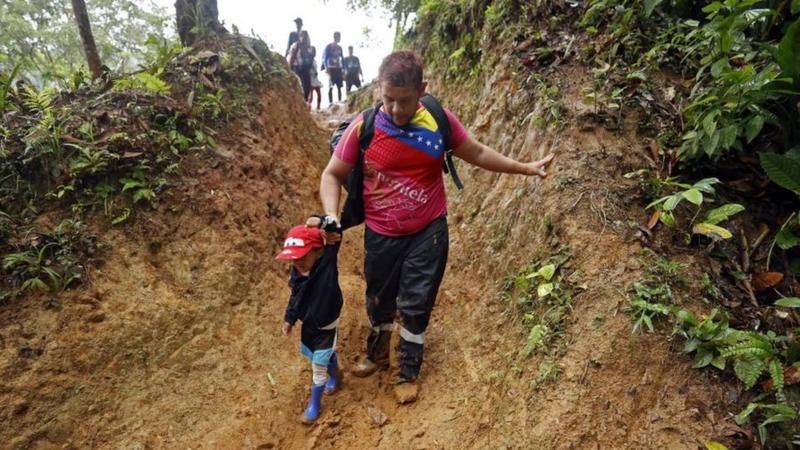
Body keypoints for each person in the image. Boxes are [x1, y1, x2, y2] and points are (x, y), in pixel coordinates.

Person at [319, 51, 554, 404]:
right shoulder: (364, 127)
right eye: (388, 100)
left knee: (416, 303)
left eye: (405, 101)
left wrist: (524, 167)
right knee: (379, 300)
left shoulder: (438, 120)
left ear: (422, 89)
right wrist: (331, 214)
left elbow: (475, 152)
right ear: (379, 91)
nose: (396, 110)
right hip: (381, 234)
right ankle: (378, 352)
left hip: (428, 232)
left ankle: (407, 370)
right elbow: (332, 174)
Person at [277, 216, 344, 424]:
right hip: (309, 324)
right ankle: (335, 372)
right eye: (293, 259)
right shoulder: (297, 274)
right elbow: (295, 297)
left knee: (317, 365)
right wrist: (290, 319)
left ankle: (314, 404)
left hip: (327, 324)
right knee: (315, 355)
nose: (297, 263)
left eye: (302, 257)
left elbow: (335, 228)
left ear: (318, 251)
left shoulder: (327, 264)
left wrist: (321, 221)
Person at [288, 31, 314, 101]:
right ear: (299, 37)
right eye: (302, 36)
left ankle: (304, 101)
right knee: (299, 85)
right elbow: (292, 57)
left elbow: (311, 58)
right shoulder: (296, 45)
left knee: (307, 86)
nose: (304, 38)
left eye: (305, 36)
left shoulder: (309, 48)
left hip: (306, 68)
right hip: (297, 68)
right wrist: (289, 69)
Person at [321, 32, 344, 103]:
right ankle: (330, 102)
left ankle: (339, 101)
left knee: (339, 86)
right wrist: (326, 67)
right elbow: (325, 57)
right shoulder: (329, 46)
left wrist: (344, 68)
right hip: (331, 68)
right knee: (331, 85)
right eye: (338, 36)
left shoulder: (340, 48)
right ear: (335, 37)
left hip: (338, 68)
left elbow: (342, 58)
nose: (339, 38)